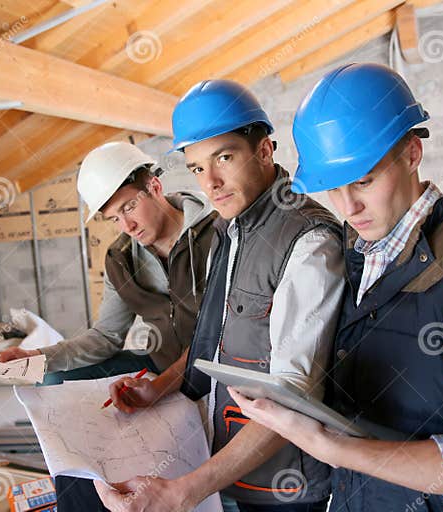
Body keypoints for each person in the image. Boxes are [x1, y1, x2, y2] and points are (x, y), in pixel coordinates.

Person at [230, 63, 443, 512]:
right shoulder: (357, 250)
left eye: (364, 181)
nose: (348, 206)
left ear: (411, 153)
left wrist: (332, 448)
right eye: (333, 187)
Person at [95, 80, 345, 511]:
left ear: (265, 150)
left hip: (283, 485)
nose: (210, 182)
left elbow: (293, 400)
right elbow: (214, 341)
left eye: (224, 158)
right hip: (231, 467)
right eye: (195, 168)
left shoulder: (307, 241)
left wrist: (182, 491)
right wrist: (160, 387)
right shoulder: (233, 230)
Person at [0, 141, 216, 512]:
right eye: (114, 217)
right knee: (54, 381)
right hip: (161, 361)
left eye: (130, 206)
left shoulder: (217, 236)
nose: (127, 226)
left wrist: (160, 388)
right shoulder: (120, 259)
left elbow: (221, 334)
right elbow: (105, 337)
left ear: (155, 187)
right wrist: (35, 356)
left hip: (213, 367)